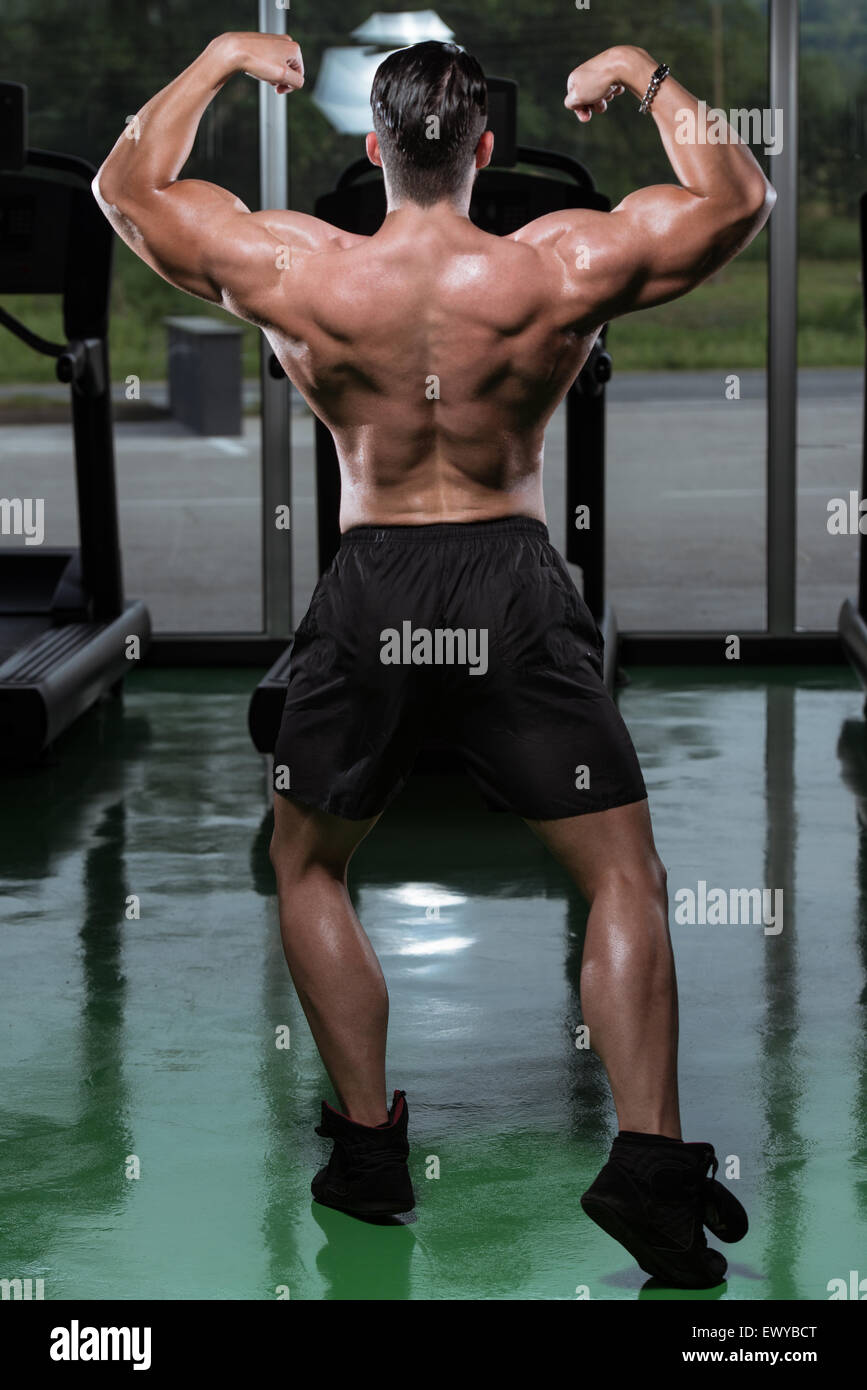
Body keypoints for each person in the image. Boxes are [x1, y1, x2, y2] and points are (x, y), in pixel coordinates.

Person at [93, 29, 774, 1289]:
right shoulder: (556, 261)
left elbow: (123, 191)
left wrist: (219, 60)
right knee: (624, 874)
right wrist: (640, 73)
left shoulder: (302, 267)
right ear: (485, 153)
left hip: (374, 587)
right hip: (514, 587)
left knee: (308, 866)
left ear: (372, 149)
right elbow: (739, 199)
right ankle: (652, 1164)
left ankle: (365, 1152)